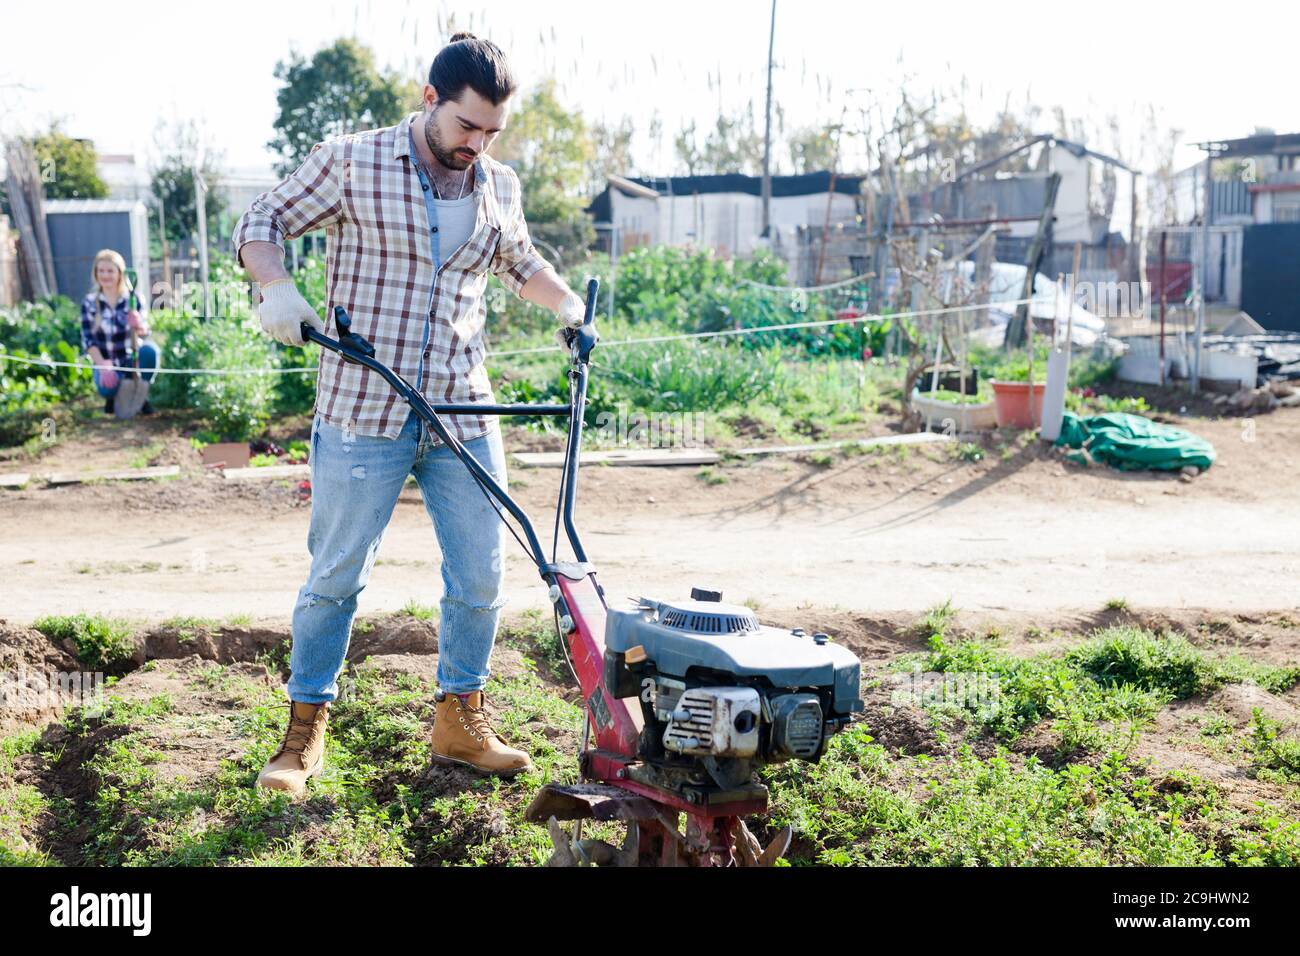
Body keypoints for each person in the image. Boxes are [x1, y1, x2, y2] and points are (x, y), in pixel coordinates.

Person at [234, 32, 588, 797]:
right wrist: (275, 288)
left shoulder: (497, 182)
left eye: (493, 132)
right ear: (430, 101)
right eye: (467, 127)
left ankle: (461, 719)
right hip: (365, 407)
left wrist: (564, 300)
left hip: (461, 407)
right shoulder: (352, 160)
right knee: (336, 576)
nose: (478, 144)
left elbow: (519, 260)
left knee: (482, 576)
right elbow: (260, 221)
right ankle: (304, 731)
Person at [80, 249, 158, 415]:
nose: (105, 275)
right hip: (106, 362)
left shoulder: (133, 299)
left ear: (120, 273)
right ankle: (112, 397)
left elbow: (144, 334)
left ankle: (140, 395)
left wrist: (139, 325)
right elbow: (88, 340)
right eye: (101, 271)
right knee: (107, 388)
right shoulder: (90, 302)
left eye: (110, 271)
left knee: (150, 351)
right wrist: (102, 365)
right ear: (95, 273)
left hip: (130, 359)